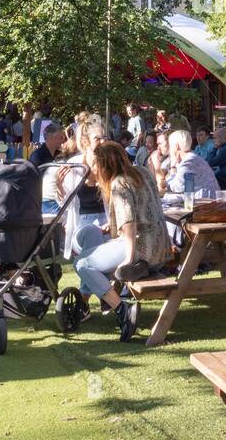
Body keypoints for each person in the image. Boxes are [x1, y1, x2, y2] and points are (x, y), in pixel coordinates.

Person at [73, 141, 173, 340]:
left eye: (95, 165)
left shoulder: (119, 183)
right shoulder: (142, 172)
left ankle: (121, 309)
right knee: (92, 255)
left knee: (82, 263)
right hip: (161, 247)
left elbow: (129, 224)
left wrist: (128, 259)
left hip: (140, 248)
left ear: (104, 165)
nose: (93, 169)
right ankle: (101, 296)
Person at [165, 129, 220, 197]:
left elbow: (174, 188)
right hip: (205, 202)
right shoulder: (192, 158)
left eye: (170, 146)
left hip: (208, 204)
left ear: (177, 146)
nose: (169, 149)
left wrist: (173, 168)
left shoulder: (188, 163)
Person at [148, 130, 171, 195]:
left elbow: (162, 187)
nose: (158, 148)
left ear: (169, 143)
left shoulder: (176, 160)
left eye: (160, 144)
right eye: (157, 144)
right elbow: (154, 183)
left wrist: (156, 164)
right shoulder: (164, 159)